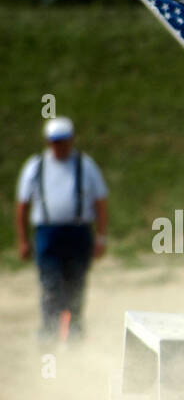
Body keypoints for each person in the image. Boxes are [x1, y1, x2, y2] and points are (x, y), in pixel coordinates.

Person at [15, 117, 109, 344]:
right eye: (55, 142)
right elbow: (23, 205)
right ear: (48, 142)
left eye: (64, 141)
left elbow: (100, 202)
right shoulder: (35, 166)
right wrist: (23, 240)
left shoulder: (85, 165)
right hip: (47, 234)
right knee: (50, 284)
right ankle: (48, 333)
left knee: (76, 284)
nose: (60, 147)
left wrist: (101, 236)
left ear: (71, 140)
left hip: (78, 234)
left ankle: (74, 333)